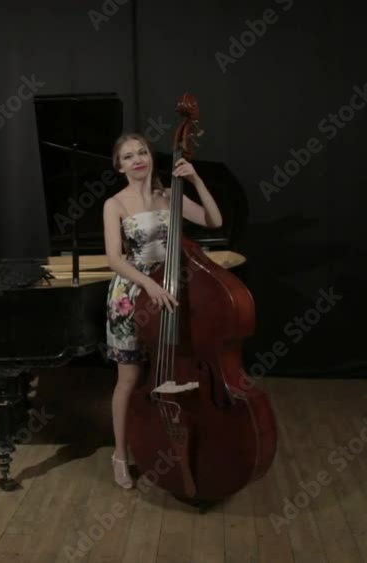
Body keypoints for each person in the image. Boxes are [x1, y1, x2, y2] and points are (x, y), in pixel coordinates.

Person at [102, 133, 224, 488]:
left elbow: (215, 221)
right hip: (131, 295)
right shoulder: (115, 204)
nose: (137, 159)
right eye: (128, 156)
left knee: (175, 370)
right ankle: (120, 455)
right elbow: (113, 258)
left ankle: (168, 440)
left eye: (142, 152)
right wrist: (149, 284)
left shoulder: (170, 196)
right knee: (128, 380)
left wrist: (195, 180)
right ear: (119, 166)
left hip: (171, 294)